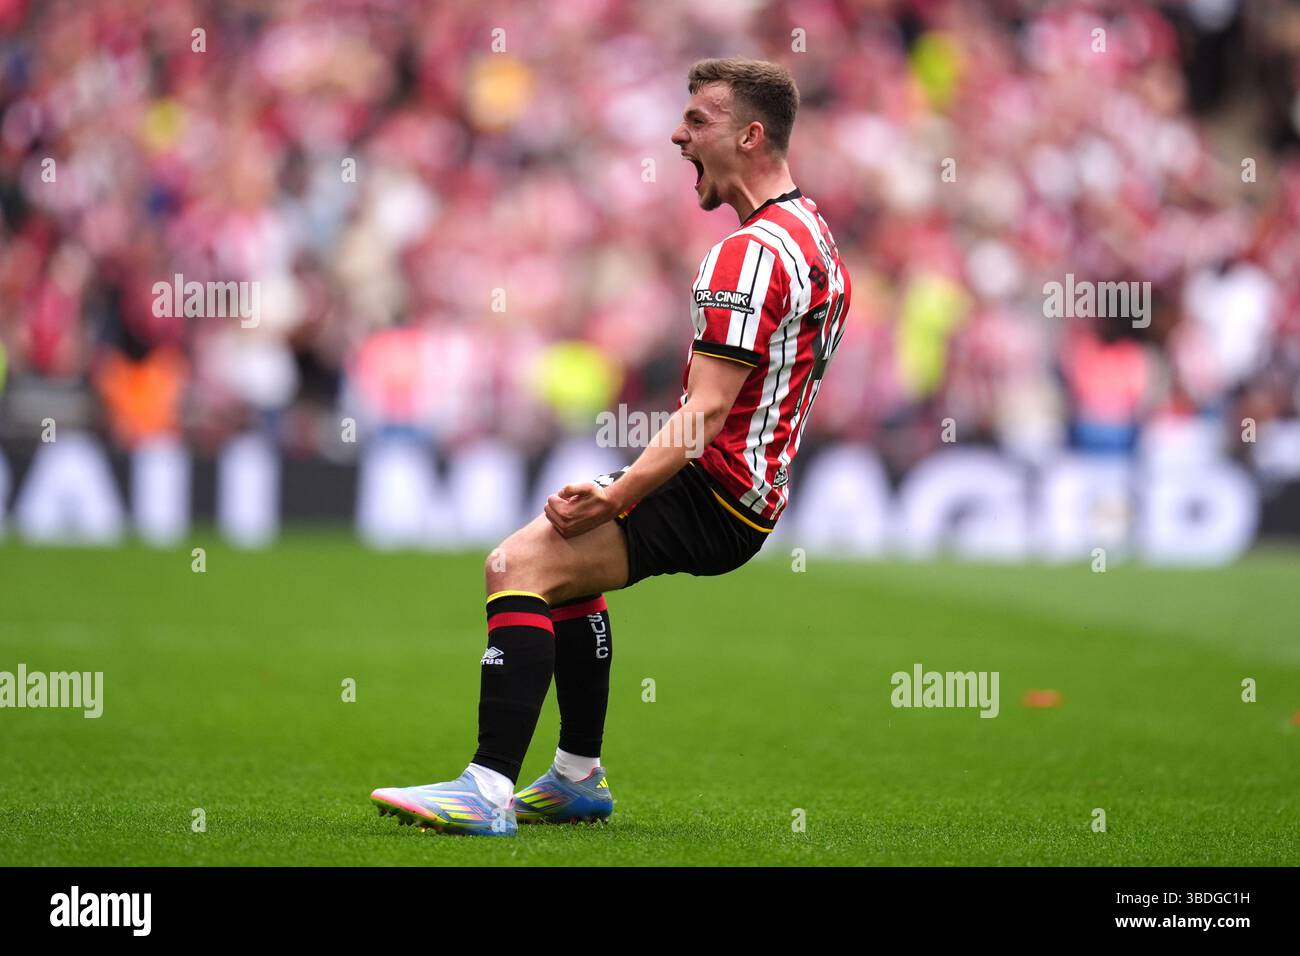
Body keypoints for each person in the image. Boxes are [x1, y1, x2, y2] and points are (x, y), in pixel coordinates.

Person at [370, 57, 852, 835]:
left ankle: (486, 789)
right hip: (751, 494)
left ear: (750, 135)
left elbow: (704, 415)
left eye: (698, 122)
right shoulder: (817, 239)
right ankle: (575, 778)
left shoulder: (751, 252)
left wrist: (621, 492)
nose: (676, 134)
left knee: (516, 565)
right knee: (562, 570)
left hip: (713, 486)